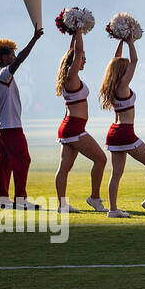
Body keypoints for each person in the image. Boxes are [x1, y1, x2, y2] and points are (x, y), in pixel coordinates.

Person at [100, 37, 145, 218]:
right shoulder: (123, 85)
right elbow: (134, 61)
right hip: (126, 133)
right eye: (125, 68)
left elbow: (114, 60)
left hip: (114, 132)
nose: (129, 69)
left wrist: (120, 41)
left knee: (116, 174)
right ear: (123, 71)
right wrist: (131, 41)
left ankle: (112, 209)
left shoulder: (111, 85)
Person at [54, 28, 107, 212]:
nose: (84, 60)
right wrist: (79, 30)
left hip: (69, 126)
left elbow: (72, 52)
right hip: (74, 128)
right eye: (82, 58)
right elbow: (75, 54)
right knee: (101, 159)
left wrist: (74, 35)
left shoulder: (69, 76)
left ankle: (62, 205)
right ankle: (95, 198)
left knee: (64, 168)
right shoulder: (71, 76)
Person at [0, 24, 43, 208]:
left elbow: (18, 59)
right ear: (4, 57)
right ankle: (20, 200)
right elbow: (20, 59)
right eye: (11, 54)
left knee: (4, 163)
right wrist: (34, 39)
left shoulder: (0, 75)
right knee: (23, 160)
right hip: (10, 126)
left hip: (3, 126)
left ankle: (1, 199)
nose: (14, 57)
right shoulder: (4, 73)